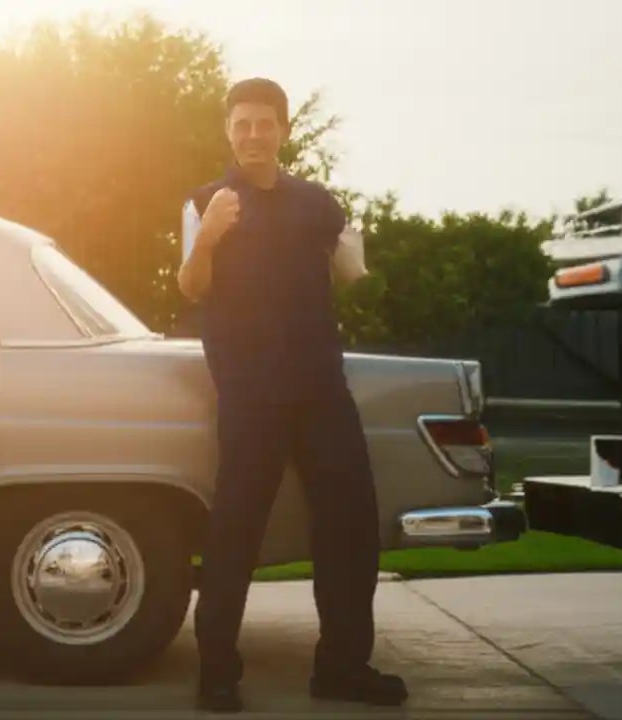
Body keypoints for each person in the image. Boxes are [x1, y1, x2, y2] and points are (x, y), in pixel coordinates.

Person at [177, 78, 407, 713]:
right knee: (235, 532)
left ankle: (342, 667)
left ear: (282, 129)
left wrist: (351, 250)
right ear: (229, 130)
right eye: (242, 123)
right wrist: (212, 234)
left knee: (351, 525)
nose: (253, 134)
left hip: (320, 388)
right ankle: (217, 673)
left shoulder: (317, 203)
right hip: (250, 393)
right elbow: (192, 288)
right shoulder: (206, 201)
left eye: (265, 123)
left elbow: (351, 270)